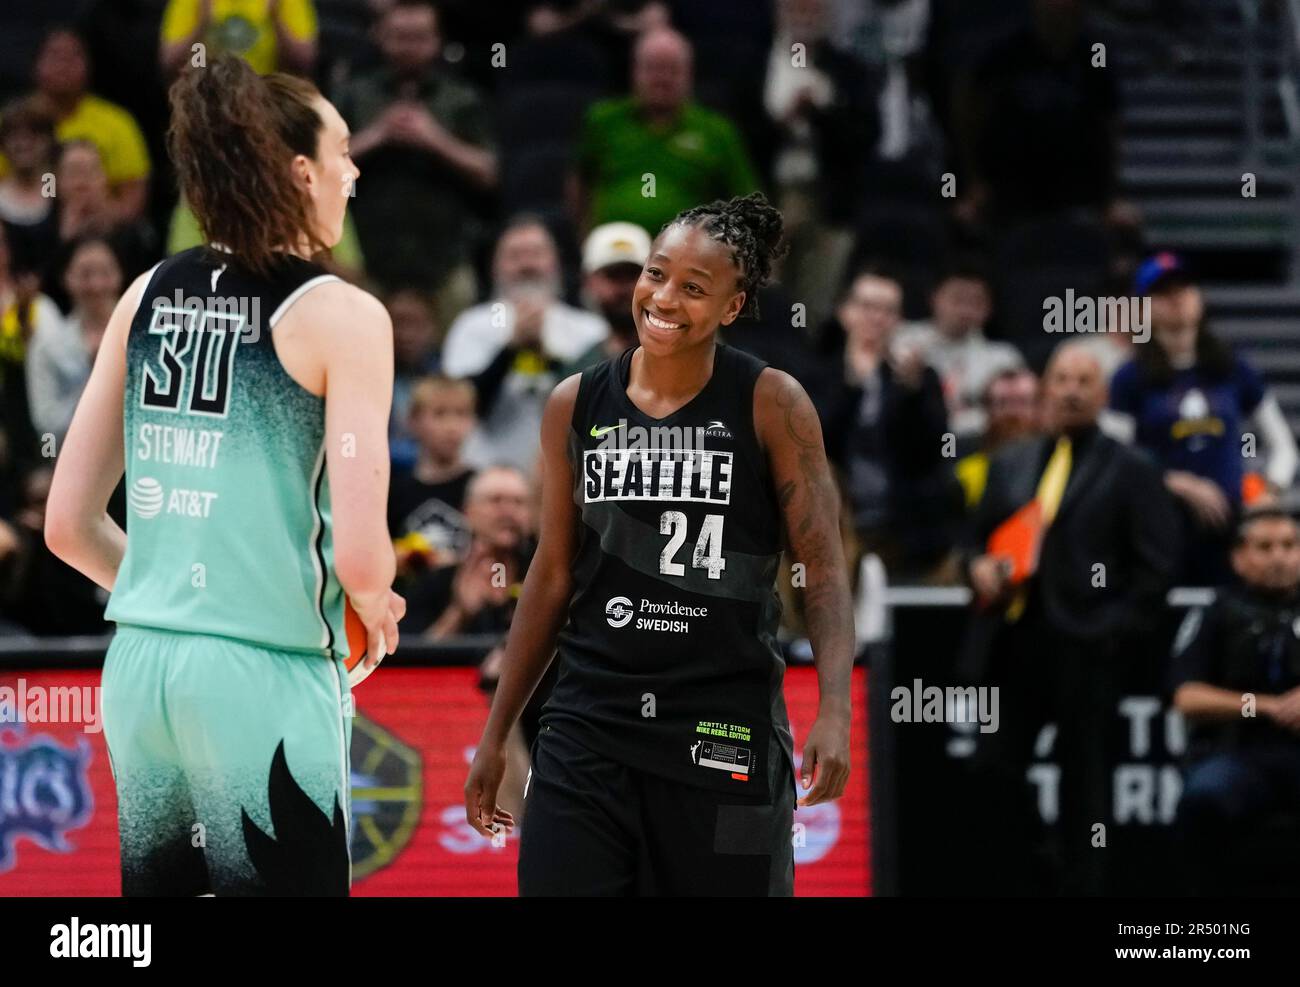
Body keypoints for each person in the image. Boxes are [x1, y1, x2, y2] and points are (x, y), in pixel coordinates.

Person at [44, 55, 406, 897]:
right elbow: (359, 555)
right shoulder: (345, 317)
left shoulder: (144, 293)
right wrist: (378, 599)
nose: (355, 172)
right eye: (345, 150)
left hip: (140, 666)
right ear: (303, 171)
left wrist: (176, 600)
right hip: (264, 674)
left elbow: (67, 525)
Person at [464, 192, 854, 896]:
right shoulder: (574, 403)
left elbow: (822, 567)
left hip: (723, 733)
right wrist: (496, 733)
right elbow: (552, 576)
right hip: (589, 731)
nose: (663, 297)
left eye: (694, 287)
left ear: (733, 307)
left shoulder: (772, 401)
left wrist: (834, 706)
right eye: (656, 272)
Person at [960, 342, 1181, 895]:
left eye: (1084, 382)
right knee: (990, 771)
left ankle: (1085, 886)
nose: (1072, 391)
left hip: (1088, 653)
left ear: (1103, 394)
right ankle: (1037, 864)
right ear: (1044, 387)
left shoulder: (1133, 469)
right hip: (1012, 646)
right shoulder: (1009, 462)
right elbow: (971, 542)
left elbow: (1156, 573)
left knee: (1089, 790)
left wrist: (1110, 630)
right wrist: (976, 568)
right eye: (1061, 380)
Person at [1110, 253, 1299, 585]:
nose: (1176, 300)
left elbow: (1282, 444)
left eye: (1184, 289)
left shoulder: (1232, 368)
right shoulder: (1129, 378)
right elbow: (1114, 458)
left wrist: (1270, 488)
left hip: (1228, 528)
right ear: (1143, 308)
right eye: (1163, 294)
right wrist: (1175, 482)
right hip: (1158, 527)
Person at [333, 0, 497, 317]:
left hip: (446, 261)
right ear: (380, 37)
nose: (409, 47)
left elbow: (489, 174)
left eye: (419, 38)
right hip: (369, 259)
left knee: (456, 362)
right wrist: (377, 136)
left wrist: (435, 140)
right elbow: (324, 171)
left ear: (437, 41)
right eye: (400, 37)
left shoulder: (462, 98)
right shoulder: (353, 95)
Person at [1170, 507, 1300, 895]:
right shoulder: (1216, 612)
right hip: (1239, 753)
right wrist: (1265, 706)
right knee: (1203, 799)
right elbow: (1186, 697)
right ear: (1239, 558)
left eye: (1289, 545)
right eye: (1265, 547)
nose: (1279, 556)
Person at [818, 268, 960, 582]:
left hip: (902, 528)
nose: (877, 318)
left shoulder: (920, 379)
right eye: (868, 306)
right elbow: (820, 446)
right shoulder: (819, 374)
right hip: (836, 525)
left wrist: (912, 395)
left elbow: (931, 453)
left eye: (888, 310)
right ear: (845, 313)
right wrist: (854, 384)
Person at [440, 215, 607, 474]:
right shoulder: (471, 326)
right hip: (487, 474)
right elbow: (460, 405)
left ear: (556, 262)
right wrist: (510, 351)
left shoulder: (589, 329)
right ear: (495, 266)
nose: (527, 264)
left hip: (569, 476)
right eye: (515, 256)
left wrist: (548, 359)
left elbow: (601, 408)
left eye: (537, 254)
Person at [573, 27, 760, 235]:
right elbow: (579, 185)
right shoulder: (603, 120)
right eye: (653, 68)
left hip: (688, 255)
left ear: (690, 74)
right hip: (614, 254)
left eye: (672, 69)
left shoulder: (717, 131)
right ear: (635, 71)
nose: (662, 79)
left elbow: (748, 204)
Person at [1, 28, 152, 224]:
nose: (64, 65)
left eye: (73, 56)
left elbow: (132, 199)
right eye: (55, 55)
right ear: (35, 63)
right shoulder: (11, 124)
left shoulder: (116, 123)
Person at [894, 263, 1023, 445]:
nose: (965, 310)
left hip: (975, 444)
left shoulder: (1003, 358)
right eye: (957, 299)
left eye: (976, 302)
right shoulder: (901, 339)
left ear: (989, 309)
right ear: (934, 298)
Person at [26, 236, 123, 448]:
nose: (96, 285)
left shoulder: (143, 336)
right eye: (85, 274)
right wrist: (93, 382)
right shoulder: (47, 345)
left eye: (105, 273)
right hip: (72, 457)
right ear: (66, 278)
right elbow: (47, 426)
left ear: (119, 275)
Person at [388, 375, 476, 577]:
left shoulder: (481, 487)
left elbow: (495, 559)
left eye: (461, 414)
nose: (452, 426)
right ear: (413, 420)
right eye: (440, 414)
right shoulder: (395, 491)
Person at [564, 221, 652, 373]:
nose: (624, 288)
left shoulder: (683, 357)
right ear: (589, 281)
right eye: (613, 275)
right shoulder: (580, 370)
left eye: (633, 274)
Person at [160, 0, 319, 78]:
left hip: (267, 97)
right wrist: (201, 26)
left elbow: (303, 63)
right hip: (210, 97)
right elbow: (171, 63)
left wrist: (276, 20)